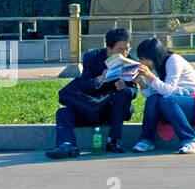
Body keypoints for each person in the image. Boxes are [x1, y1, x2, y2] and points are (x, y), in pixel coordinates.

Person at [45, 27, 137, 159]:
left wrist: (125, 88)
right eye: (120, 49)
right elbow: (84, 85)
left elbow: (133, 91)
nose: (125, 53)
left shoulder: (130, 62)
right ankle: (67, 145)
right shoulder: (92, 58)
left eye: (127, 49)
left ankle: (113, 140)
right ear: (109, 49)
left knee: (122, 95)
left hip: (112, 110)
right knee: (63, 112)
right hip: (89, 107)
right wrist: (99, 79)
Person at [131, 38, 195, 154]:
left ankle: (191, 140)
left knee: (166, 100)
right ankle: (147, 140)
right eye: (141, 59)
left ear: (156, 57)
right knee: (153, 100)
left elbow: (168, 90)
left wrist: (149, 76)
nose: (143, 63)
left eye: (146, 59)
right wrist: (141, 82)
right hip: (171, 103)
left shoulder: (174, 61)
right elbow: (150, 95)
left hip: (193, 102)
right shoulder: (154, 68)